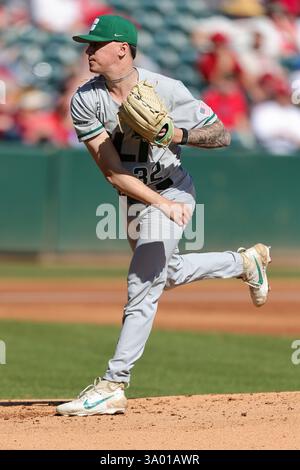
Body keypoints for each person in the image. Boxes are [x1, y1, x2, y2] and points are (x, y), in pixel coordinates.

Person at [56, 15, 271, 417]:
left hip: (173, 187)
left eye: (94, 44)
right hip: (141, 197)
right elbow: (112, 171)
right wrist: (157, 204)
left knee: (141, 283)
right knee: (163, 274)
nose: (87, 51)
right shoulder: (86, 99)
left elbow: (221, 135)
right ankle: (245, 262)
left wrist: (177, 135)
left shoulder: (167, 89)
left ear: (122, 49)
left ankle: (113, 384)